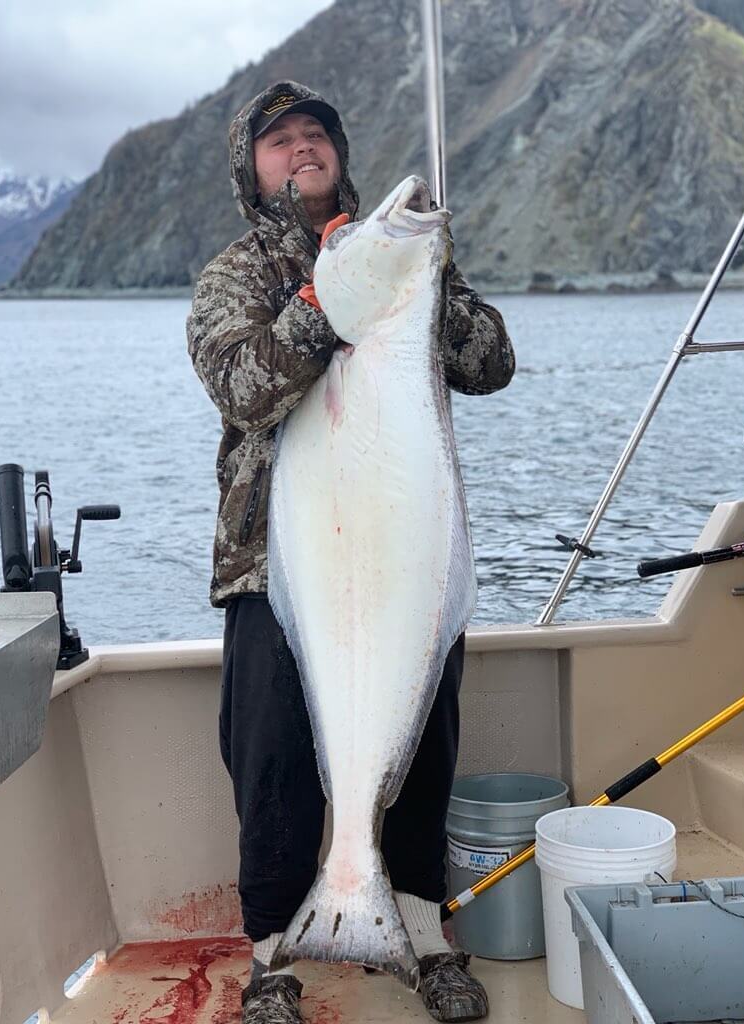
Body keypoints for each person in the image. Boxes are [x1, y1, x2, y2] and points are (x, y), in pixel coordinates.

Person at [187, 80, 515, 1024]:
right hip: (274, 563)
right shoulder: (235, 275)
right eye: (279, 139)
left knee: (422, 747)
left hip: (407, 554)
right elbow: (245, 388)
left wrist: (428, 284)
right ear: (251, 168)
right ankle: (271, 959)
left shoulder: (408, 254)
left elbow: (490, 364)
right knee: (273, 762)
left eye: (316, 133)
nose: (302, 148)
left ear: (338, 151)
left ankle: (415, 932)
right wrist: (330, 299)